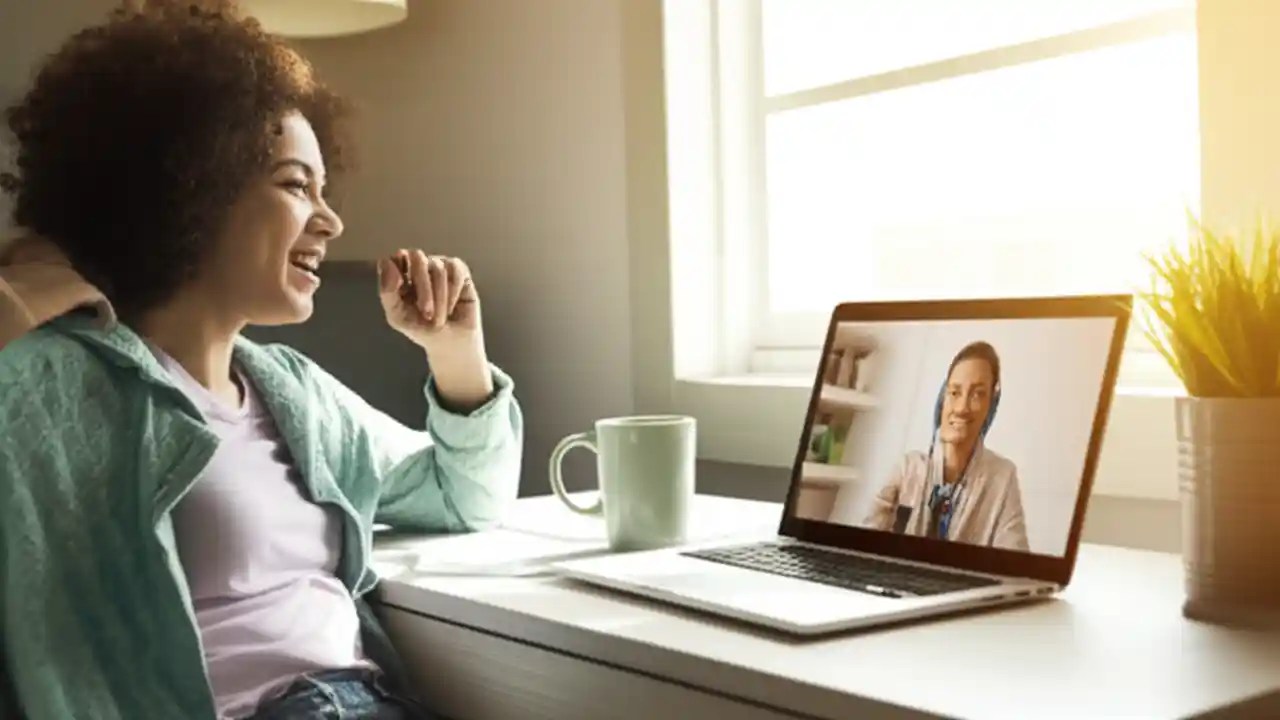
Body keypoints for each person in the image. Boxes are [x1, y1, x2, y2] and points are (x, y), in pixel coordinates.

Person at [0, 3, 523, 719]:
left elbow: (467, 495)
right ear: (192, 188)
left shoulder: (292, 391)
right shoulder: (57, 385)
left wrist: (455, 352)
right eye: (295, 185)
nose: (330, 221)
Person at [862, 341, 1029, 551]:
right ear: (943, 399)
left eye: (977, 394)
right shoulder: (908, 468)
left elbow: (1014, 562)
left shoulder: (1002, 477)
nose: (961, 408)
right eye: (955, 392)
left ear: (991, 406)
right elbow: (865, 542)